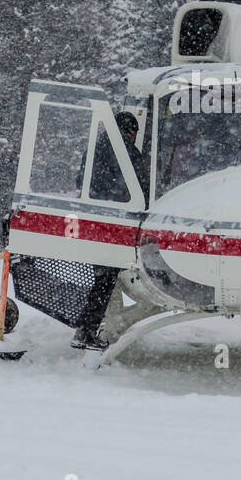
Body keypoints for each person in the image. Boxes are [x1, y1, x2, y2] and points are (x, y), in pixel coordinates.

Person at [72, 113, 148, 350]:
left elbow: (80, 181)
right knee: (106, 280)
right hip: (115, 224)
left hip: (94, 220)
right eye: (134, 133)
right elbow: (141, 186)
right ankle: (88, 329)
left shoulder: (93, 149)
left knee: (102, 278)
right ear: (130, 131)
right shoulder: (128, 153)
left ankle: (88, 327)